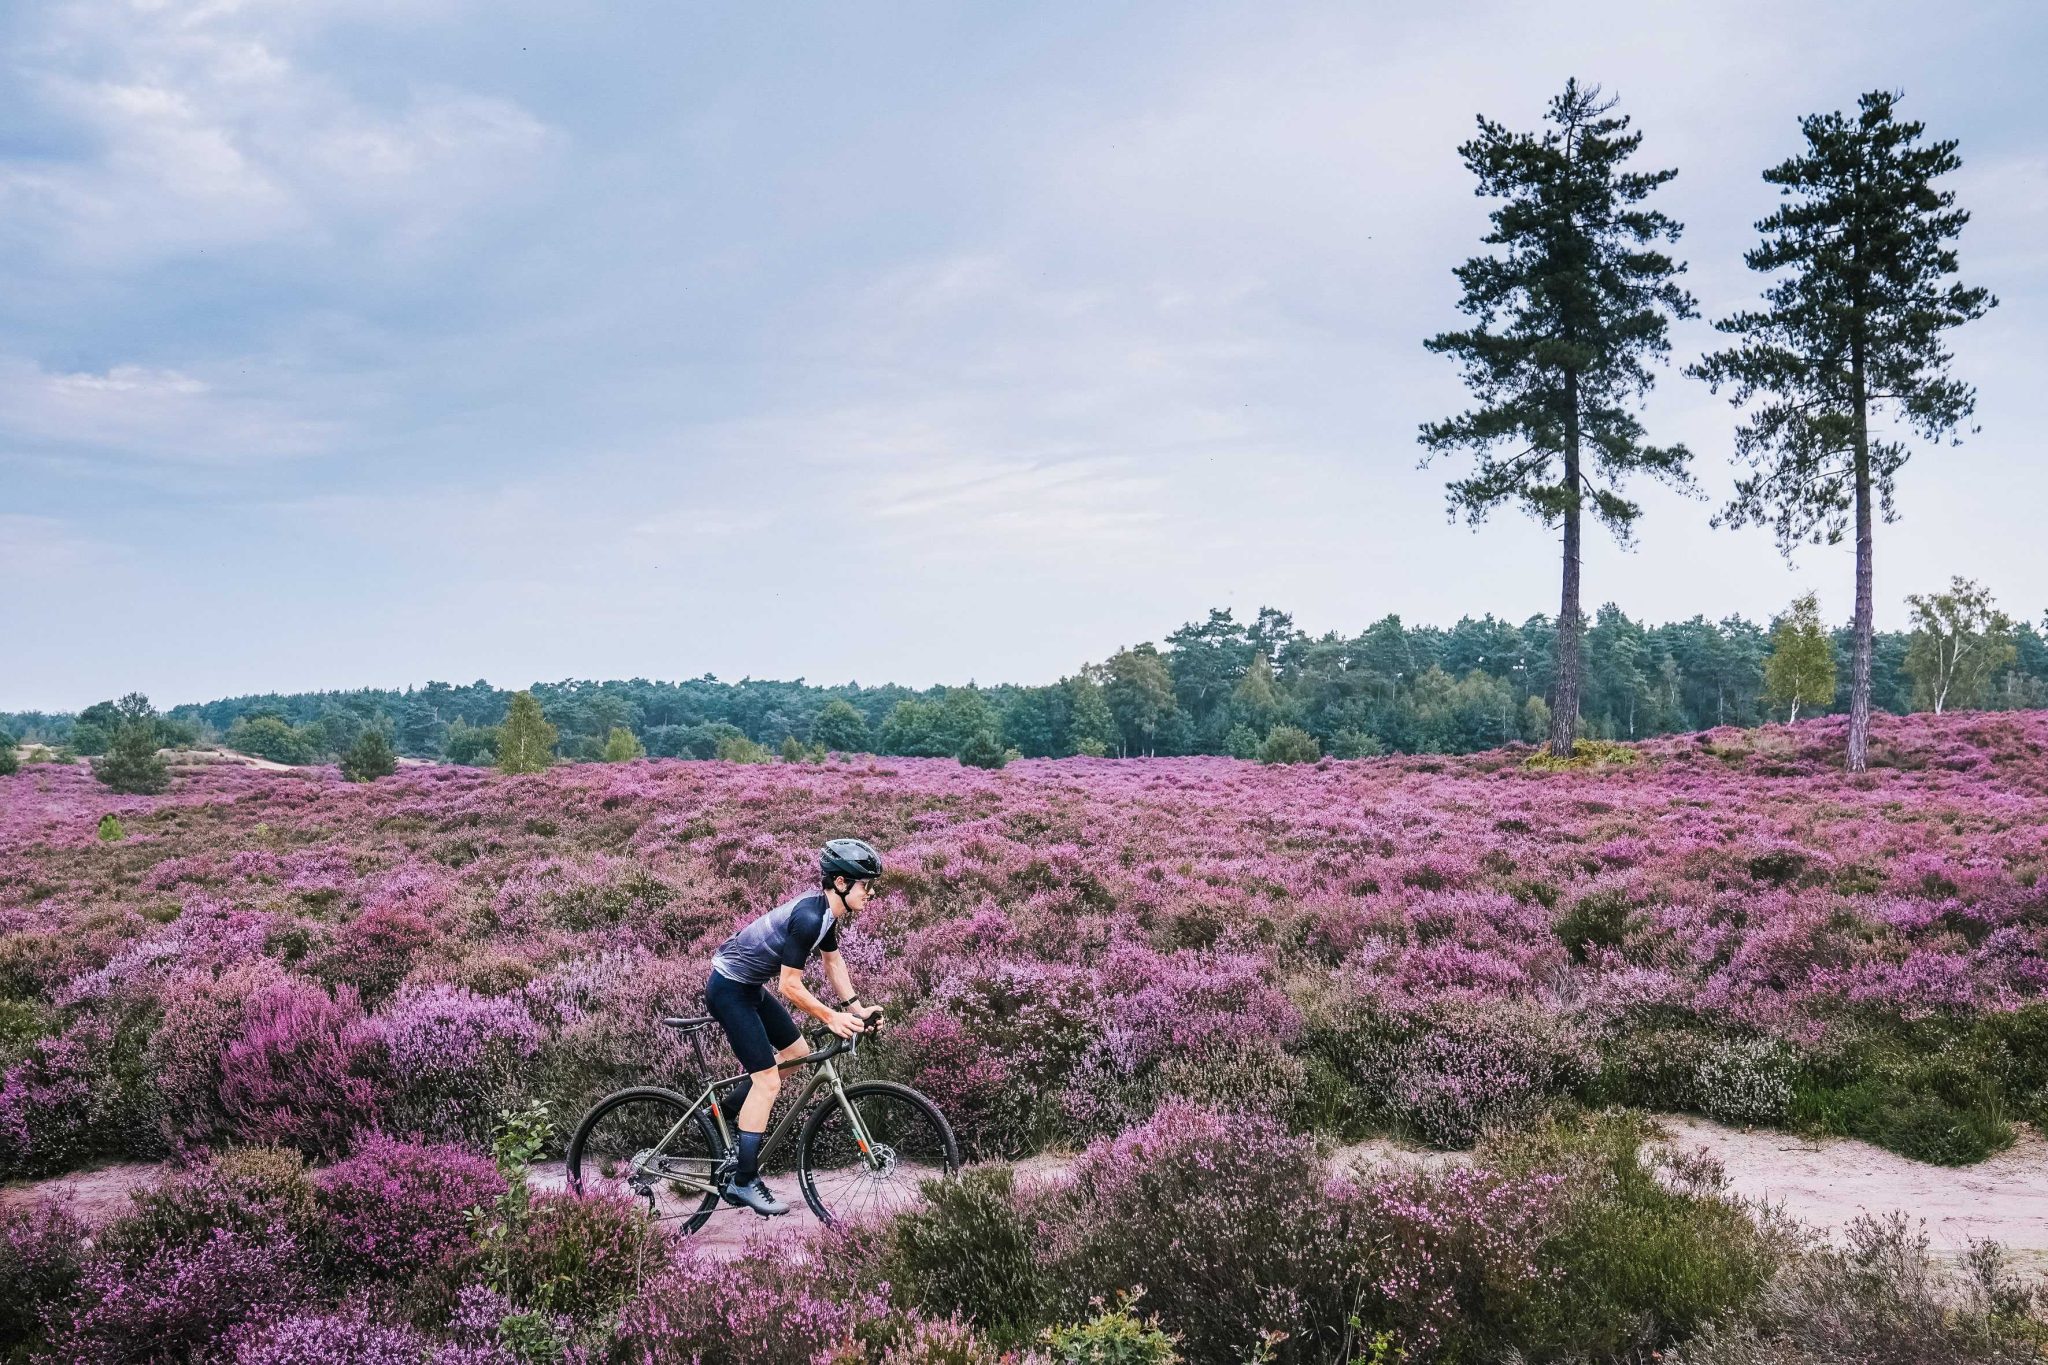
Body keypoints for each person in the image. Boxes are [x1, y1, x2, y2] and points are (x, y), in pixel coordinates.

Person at [703, 837, 887, 1216]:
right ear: (840, 883)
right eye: (865, 885)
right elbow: (789, 986)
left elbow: (833, 963)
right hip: (729, 990)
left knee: (797, 1054)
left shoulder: (827, 914)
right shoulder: (808, 917)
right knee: (767, 1080)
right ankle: (744, 1179)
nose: (870, 893)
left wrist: (856, 1007)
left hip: (748, 987)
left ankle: (721, 1115)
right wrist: (832, 1017)